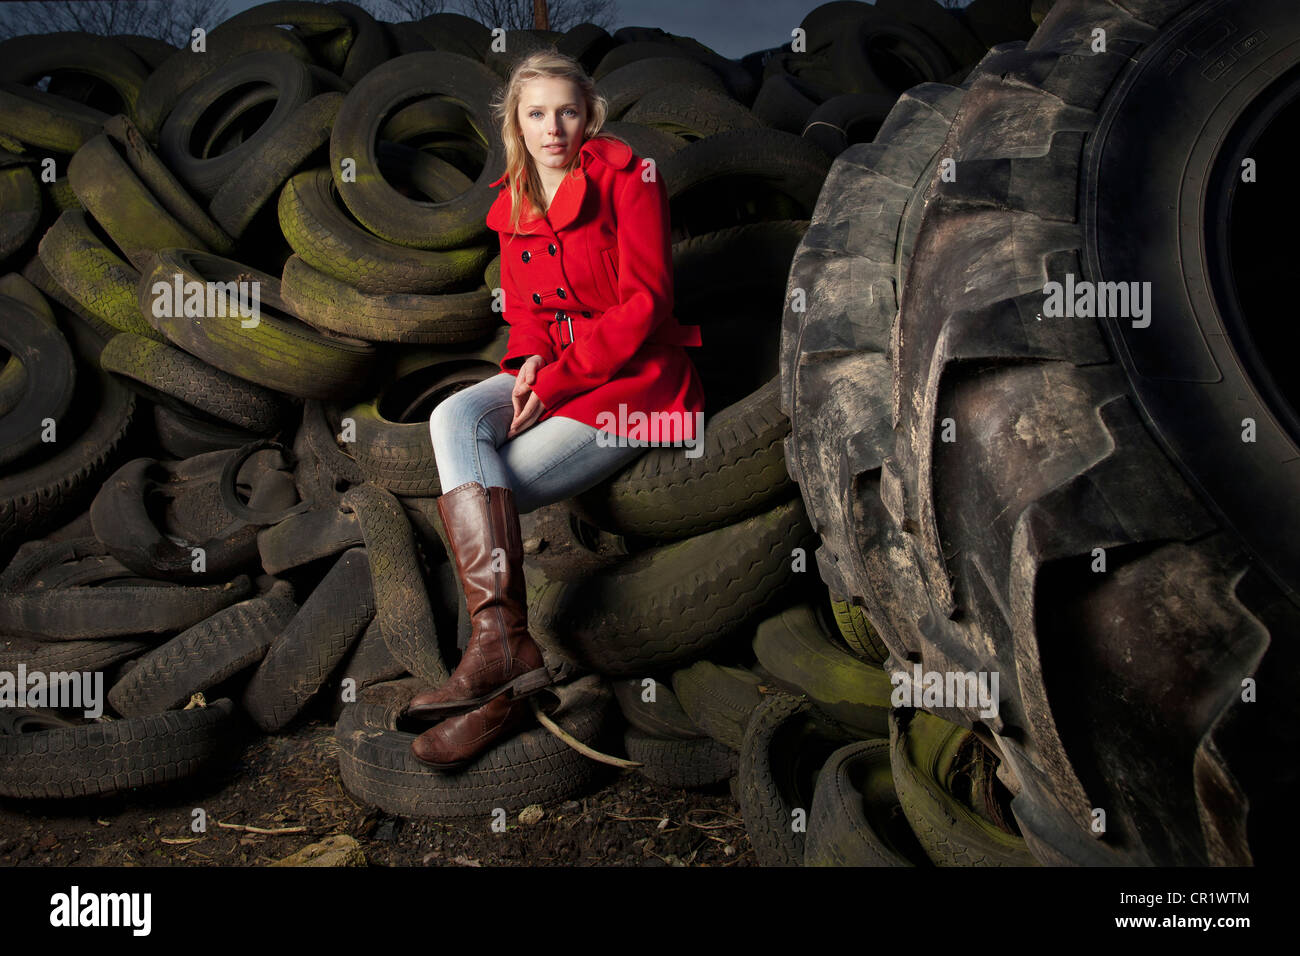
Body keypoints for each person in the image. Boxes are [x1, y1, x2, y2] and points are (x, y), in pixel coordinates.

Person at [407, 50, 706, 770]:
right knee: (452, 424)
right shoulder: (512, 201)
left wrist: (562, 376)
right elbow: (531, 317)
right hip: (563, 372)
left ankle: (500, 683)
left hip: (639, 385)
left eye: (567, 111)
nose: (553, 128)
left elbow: (646, 303)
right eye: (536, 113)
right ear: (516, 121)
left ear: (589, 113)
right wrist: (533, 360)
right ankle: (504, 654)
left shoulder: (630, 180)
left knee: (485, 488)